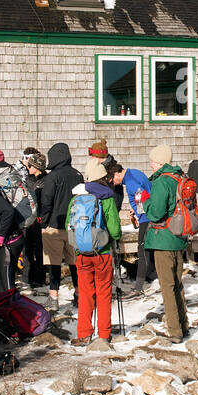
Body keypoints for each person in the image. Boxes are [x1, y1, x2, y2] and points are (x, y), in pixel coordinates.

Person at [68, 157, 122, 345]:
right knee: (104, 293)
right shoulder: (107, 197)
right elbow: (114, 229)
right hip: (103, 252)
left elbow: (69, 225)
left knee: (85, 293)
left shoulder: (76, 197)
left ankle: (83, 333)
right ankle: (104, 334)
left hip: (82, 254)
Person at [143, 144, 190, 340]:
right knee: (177, 284)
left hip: (164, 240)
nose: (151, 166)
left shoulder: (162, 181)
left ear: (159, 162)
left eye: (153, 162)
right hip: (179, 237)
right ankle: (183, 324)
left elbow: (155, 213)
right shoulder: (180, 177)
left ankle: (174, 330)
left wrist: (144, 201)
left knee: (167, 286)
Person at [38, 142, 83, 304]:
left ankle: (54, 297)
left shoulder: (52, 177)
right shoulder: (78, 175)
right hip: (74, 226)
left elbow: (46, 202)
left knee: (54, 263)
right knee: (74, 263)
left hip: (54, 226)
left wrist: (43, 224)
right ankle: (78, 293)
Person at [112, 160, 156, 296]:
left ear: (117, 174)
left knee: (142, 251)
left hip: (147, 218)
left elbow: (142, 198)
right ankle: (154, 276)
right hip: (150, 217)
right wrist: (134, 209)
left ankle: (138, 287)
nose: (112, 182)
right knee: (149, 251)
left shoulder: (130, 184)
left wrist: (139, 210)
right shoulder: (134, 173)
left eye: (111, 178)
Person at [21, 149, 46, 288]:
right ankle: (27, 277)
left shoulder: (45, 181)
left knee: (39, 249)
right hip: (27, 219)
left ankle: (40, 278)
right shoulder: (27, 179)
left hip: (39, 219)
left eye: (30, 165)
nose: (27, 167)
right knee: (27, 249)